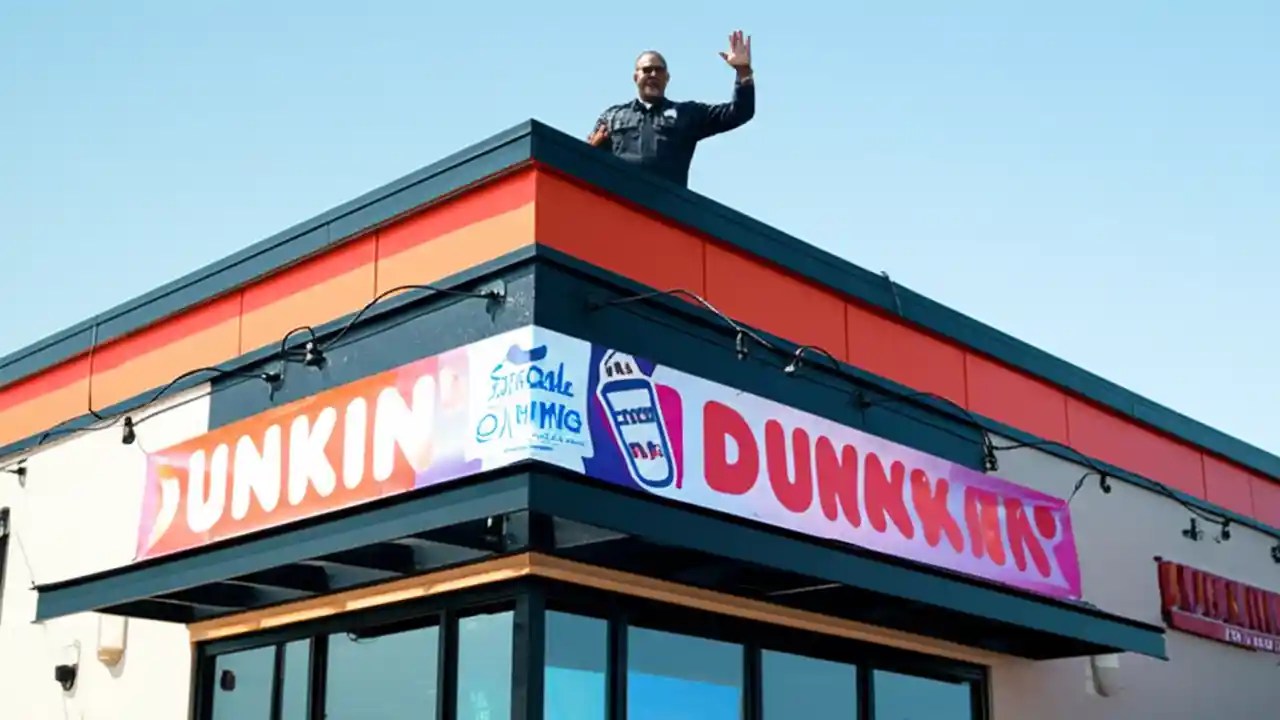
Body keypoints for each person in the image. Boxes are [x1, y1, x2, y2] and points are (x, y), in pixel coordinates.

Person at [587, 31, 755, 188]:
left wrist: (743, 73)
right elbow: (588, 164)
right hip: (621, 206)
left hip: (667, 209)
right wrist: (590, 150)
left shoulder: (687, 114)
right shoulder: (612, 117)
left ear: (667, 78)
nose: (653, 74)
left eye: (659, 70)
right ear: (635, 77)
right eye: (646, 70)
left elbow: (740, 112)